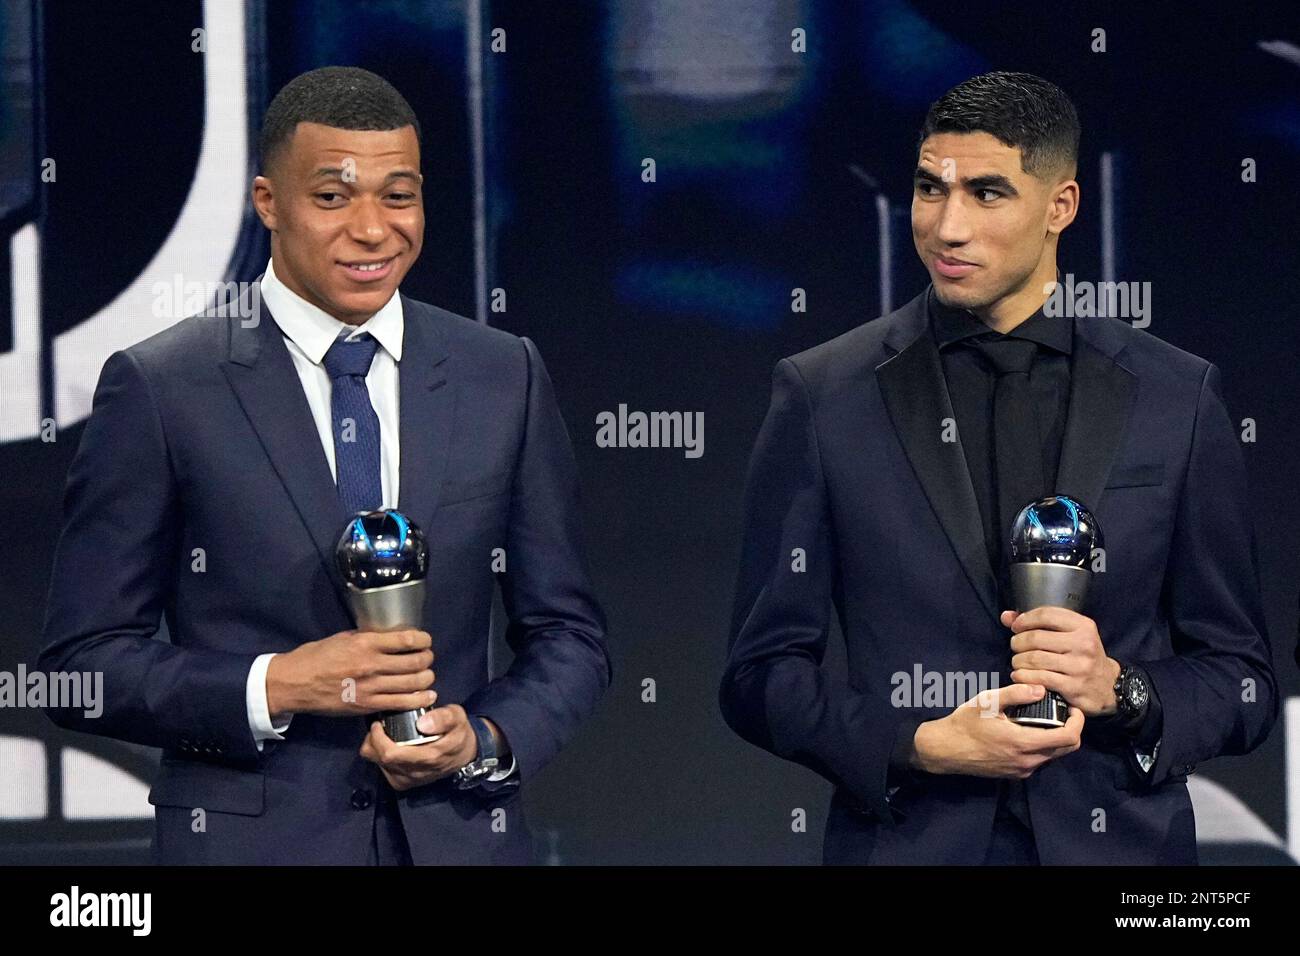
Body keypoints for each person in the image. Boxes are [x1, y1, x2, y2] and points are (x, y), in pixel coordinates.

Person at [39, 66, 611, 865]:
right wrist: (277, 684)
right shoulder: (164, 387)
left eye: (399, 195)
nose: (374, 230)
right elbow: (82, 664)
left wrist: (481, 736)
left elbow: (569, 635)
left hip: (458, 839)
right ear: (269, 202)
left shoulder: (502, 373)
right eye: (335, 197)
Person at [720, 71, 1276, 865]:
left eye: (987, 193)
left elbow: (1242, 680)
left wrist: (1124, 690)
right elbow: (757, 674)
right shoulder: (821, 395)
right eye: (928, 188)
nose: (946, 227)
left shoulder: (1176, 396)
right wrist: (916, 742)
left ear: (1061, 206)